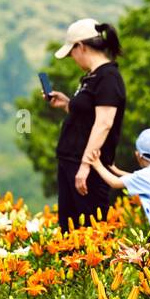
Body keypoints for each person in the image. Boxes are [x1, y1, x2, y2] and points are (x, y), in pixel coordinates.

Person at [45, 18, 126, 231]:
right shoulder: (91, 77)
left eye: (72, 52)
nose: (72, 58)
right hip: (70, 162)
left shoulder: (108, 77)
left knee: (90, 232)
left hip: (87, 170)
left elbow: (104, 123)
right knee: (69, 231)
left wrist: (85, 165)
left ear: (81, 47)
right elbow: (88, 115)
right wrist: (67, 104)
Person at [87, 127, 150, 238]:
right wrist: (116, 170)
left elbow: (115, 183)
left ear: (138, 155)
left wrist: (97, 165)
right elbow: (137, 179)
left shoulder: (144, 176)